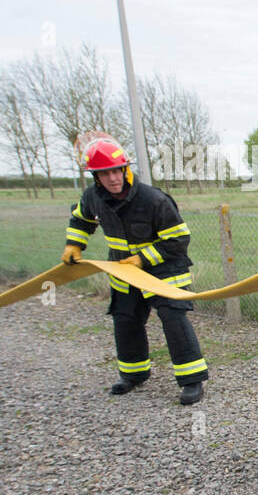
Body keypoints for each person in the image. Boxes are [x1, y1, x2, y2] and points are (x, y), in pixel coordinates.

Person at [62, 136, 208, 405]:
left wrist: (142, 259)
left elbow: (178, 240)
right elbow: (80, 220)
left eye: (117, 170)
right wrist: (74, 244)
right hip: (124, 273)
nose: (113, 178)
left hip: (165, 272)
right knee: (125, 319)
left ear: (126, 170)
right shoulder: (92, 197)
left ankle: (192, 381)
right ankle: (133, 374)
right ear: (96, 177)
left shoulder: (154, 200)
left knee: (173, 320)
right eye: (105, 173)